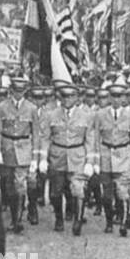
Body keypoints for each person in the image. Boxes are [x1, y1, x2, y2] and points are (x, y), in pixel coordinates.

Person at [34, 82, 98, 235]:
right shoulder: (51, 115)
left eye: (71, 96)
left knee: (78, 190)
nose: (67, 99)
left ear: (77, 98)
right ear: (59, 97)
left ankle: (77, 220)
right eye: (64, 96)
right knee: (56, 192)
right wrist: (43, 158)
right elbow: (45, 138)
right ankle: (59, 218)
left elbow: (90, 140)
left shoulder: (87, 116)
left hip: (77, 156)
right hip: (57, 156)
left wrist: (90, 162)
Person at [94, 82, 130, 236]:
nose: (116, 100)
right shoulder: (100, 115)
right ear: (109, 97)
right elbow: (96, 137)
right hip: (105, 156)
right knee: (107, 194)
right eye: (113, 96)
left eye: (120, 96)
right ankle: (109, 222)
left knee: (122, 192)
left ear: (124, 98)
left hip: (124, 156)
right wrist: (94, 159)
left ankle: (123, 223)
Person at [0, 75, 36, 233]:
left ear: (25, 91)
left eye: (21, 91)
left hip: (24, 148)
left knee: (20, 184)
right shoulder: (1, 107)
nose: (18, 94)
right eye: (15, 91)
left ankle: (17, 220)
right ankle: (14, 215)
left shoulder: (31, 108)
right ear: (11, 91)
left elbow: (37, 133)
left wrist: (36, 157)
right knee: (8, 185)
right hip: (6, 148)